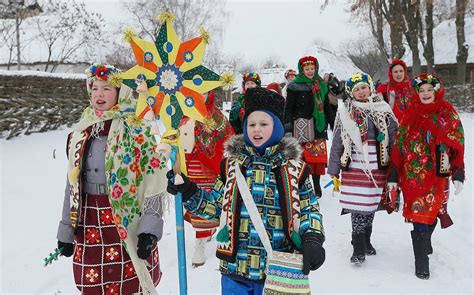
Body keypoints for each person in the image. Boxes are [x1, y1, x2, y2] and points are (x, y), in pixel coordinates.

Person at [168, 87, 325, 294]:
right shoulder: (230, 166)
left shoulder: (296, 169)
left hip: (278, 268)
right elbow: (216, 208)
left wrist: (312, 238)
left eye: (263, 124)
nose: (256, 130)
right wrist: (189, 191)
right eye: (251, 124)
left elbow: (309, 208)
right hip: (235, 269)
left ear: (277, 127)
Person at [56, 63, 169, 294]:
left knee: (129, 282)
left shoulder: (137, 130)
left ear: (120, 92)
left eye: (107, 88)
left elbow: (154, 181)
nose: (99, 94)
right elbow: (72, 184)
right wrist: (66, 231)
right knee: (93, 283)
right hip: (89, 219)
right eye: (95, 87)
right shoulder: (81, 131)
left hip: (124, 218)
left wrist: (149, 229)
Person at [388, 74, 465, 280]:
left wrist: (459, 172)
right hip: (413, 176)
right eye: (421, 91)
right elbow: (398, 146)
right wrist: (394, 174)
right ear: (416, 93)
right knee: (418, 214)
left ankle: (426, 239)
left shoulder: (447, 113)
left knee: (432, 212)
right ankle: (421, 261)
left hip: (438, 173)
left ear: (436, 90)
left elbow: (457, 143)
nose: (425, 94)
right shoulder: (408, 114)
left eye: (429, 90)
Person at [327, 72, 398, 264]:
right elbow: (337, 142)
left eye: (363, 87)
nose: (361, 92)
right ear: (351, 93)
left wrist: (397, 164)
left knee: (371, 205)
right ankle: (358, 247)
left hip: (377, 166)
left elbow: (394, 137)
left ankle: (366, 239)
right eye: (356, 89)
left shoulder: (383, 108)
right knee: (358, 206)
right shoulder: (346, 112)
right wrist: (333, 168)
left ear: (370, 88)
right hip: (355, 166)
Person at [178, 90, 234, 267]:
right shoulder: (181, 114)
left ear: (209, 93)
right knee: (192, 201)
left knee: (206, 201)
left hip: (209, 168)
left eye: (202, 91)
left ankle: (200, 244)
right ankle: (204, 233)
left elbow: (227, 140)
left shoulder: (217, 117)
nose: (198, 95)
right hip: (188, 165)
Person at [284, 56, 336, 198]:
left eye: (312, 68)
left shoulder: (322, 86)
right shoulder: (294, 86)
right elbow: (288, 109)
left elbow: (327, 107)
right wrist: (288, 128)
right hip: (301, 127)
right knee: (302, 159)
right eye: (307, 69)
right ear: (302, 70)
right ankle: (304, 185)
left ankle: (316, 184)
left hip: (318, 127)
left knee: (317, 158)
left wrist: (333, 124)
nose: (310, 71)